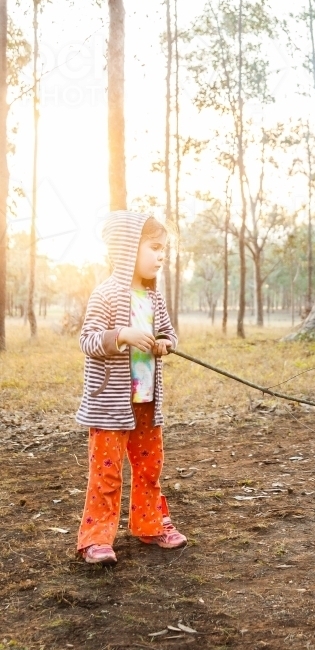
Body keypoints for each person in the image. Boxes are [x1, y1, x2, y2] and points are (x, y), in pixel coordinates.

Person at [76, 211, 187, 565]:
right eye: (154, 248)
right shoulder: (106, 295)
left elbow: (169, 334)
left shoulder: (153, 299)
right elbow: (88, 340)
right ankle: (96, 538)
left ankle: (150, 524)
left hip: (145, 400)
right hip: (110, 404)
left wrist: (165, 343)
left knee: (150, 467)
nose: (160, 256)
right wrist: (121, 335)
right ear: (128, 249)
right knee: (106, 472)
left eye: (163, 250)